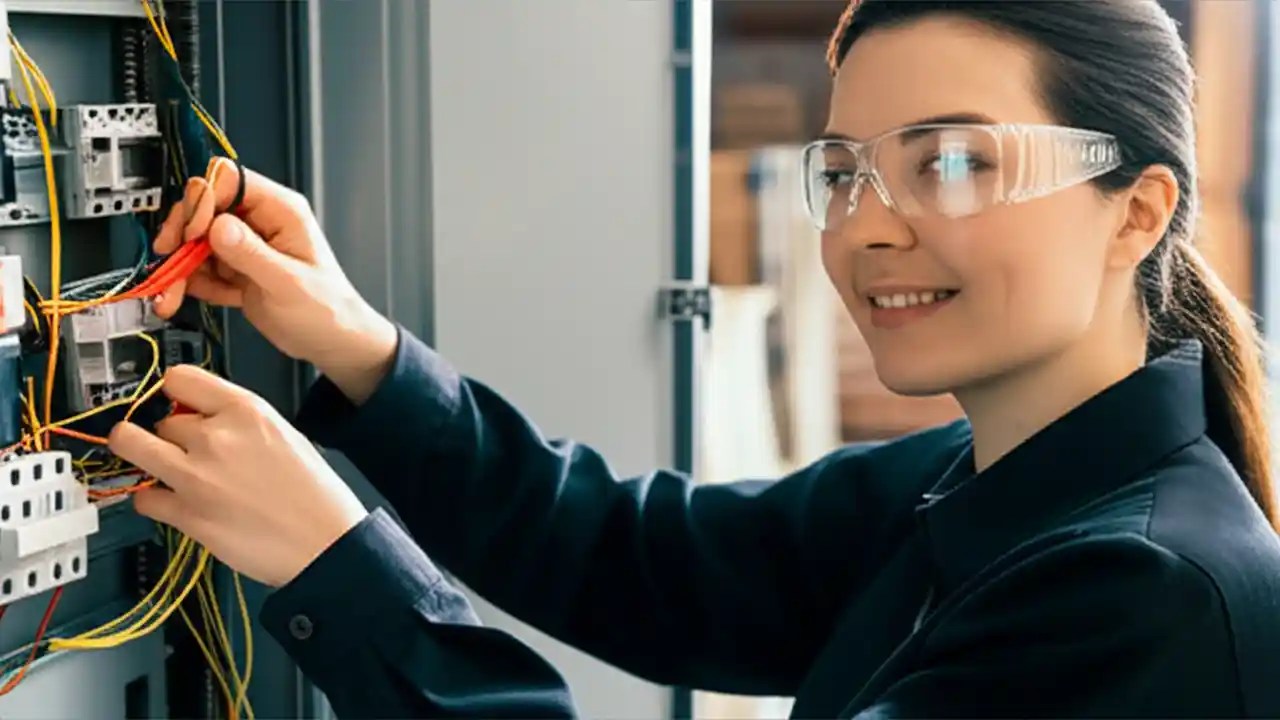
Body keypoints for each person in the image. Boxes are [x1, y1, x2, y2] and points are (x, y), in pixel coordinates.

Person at [107, 0, 1280, 717]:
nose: (868, 225)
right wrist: (359, 348)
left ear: (1135, 210)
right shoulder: (981, 485)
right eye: (845, 170)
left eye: (955, 162)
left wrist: (337, 563)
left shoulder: (1137, 598)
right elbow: (641, 559)